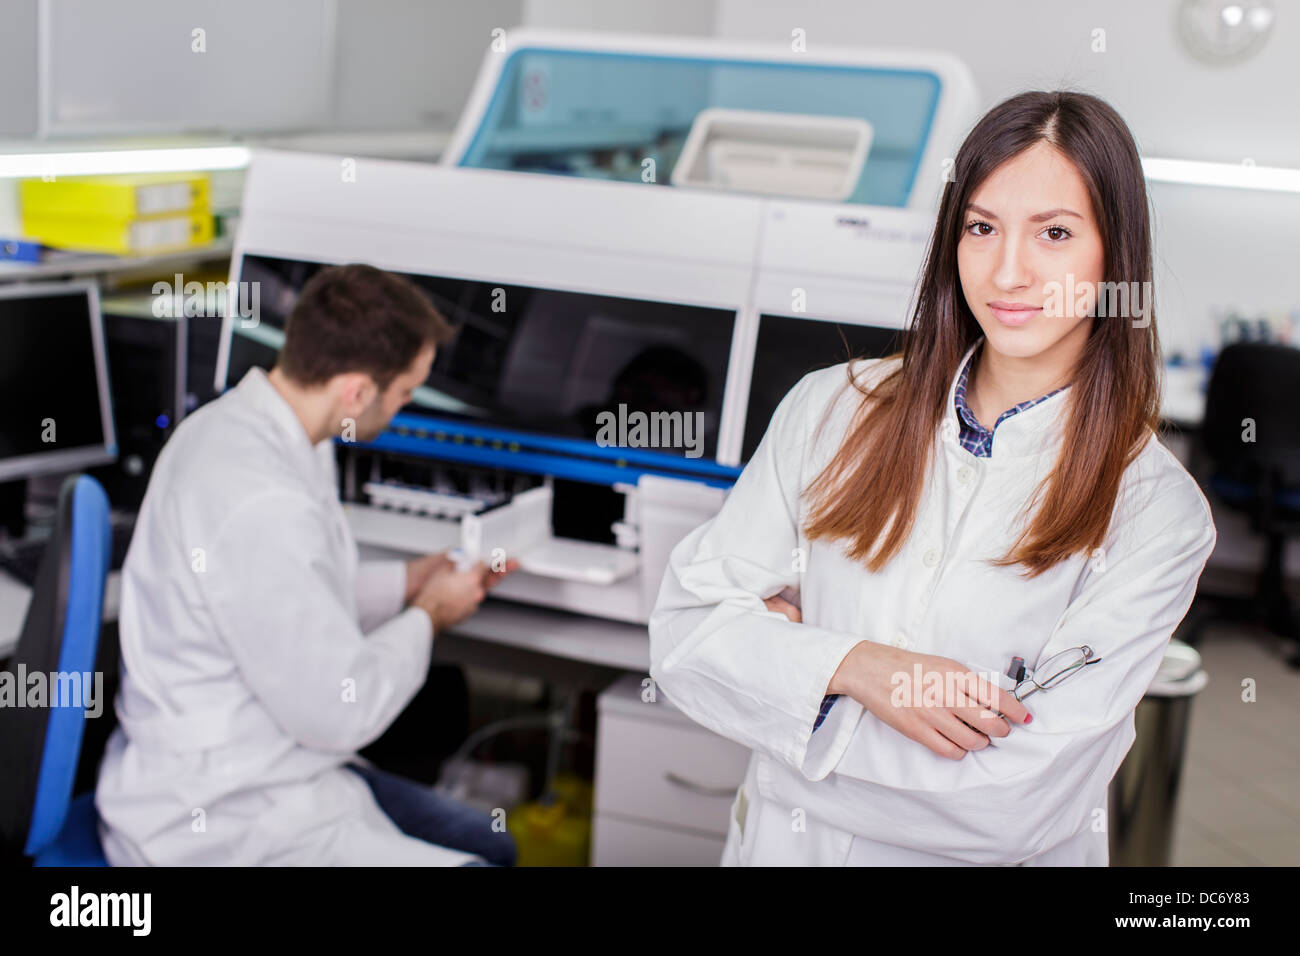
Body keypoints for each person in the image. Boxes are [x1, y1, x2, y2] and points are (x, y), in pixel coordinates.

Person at [648, 90, 1218, 867]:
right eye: (982, 227)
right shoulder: (832, 409)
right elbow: (684, 635)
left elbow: (1011, 807)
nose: (1008, 271)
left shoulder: (1156, 513)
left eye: (1054, 233)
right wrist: (858, 668)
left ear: (1114, 254)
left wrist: (791, 693)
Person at [96, 263, 519, 866]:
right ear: (355, 392)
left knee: (488, 842)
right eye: (403, 392)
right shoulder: (263, 498)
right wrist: (430, 614)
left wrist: (407, 582)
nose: (403, 408)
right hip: (223, 809)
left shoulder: (258, 427)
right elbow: (342, 711)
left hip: (275, 764)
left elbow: (290, 602)